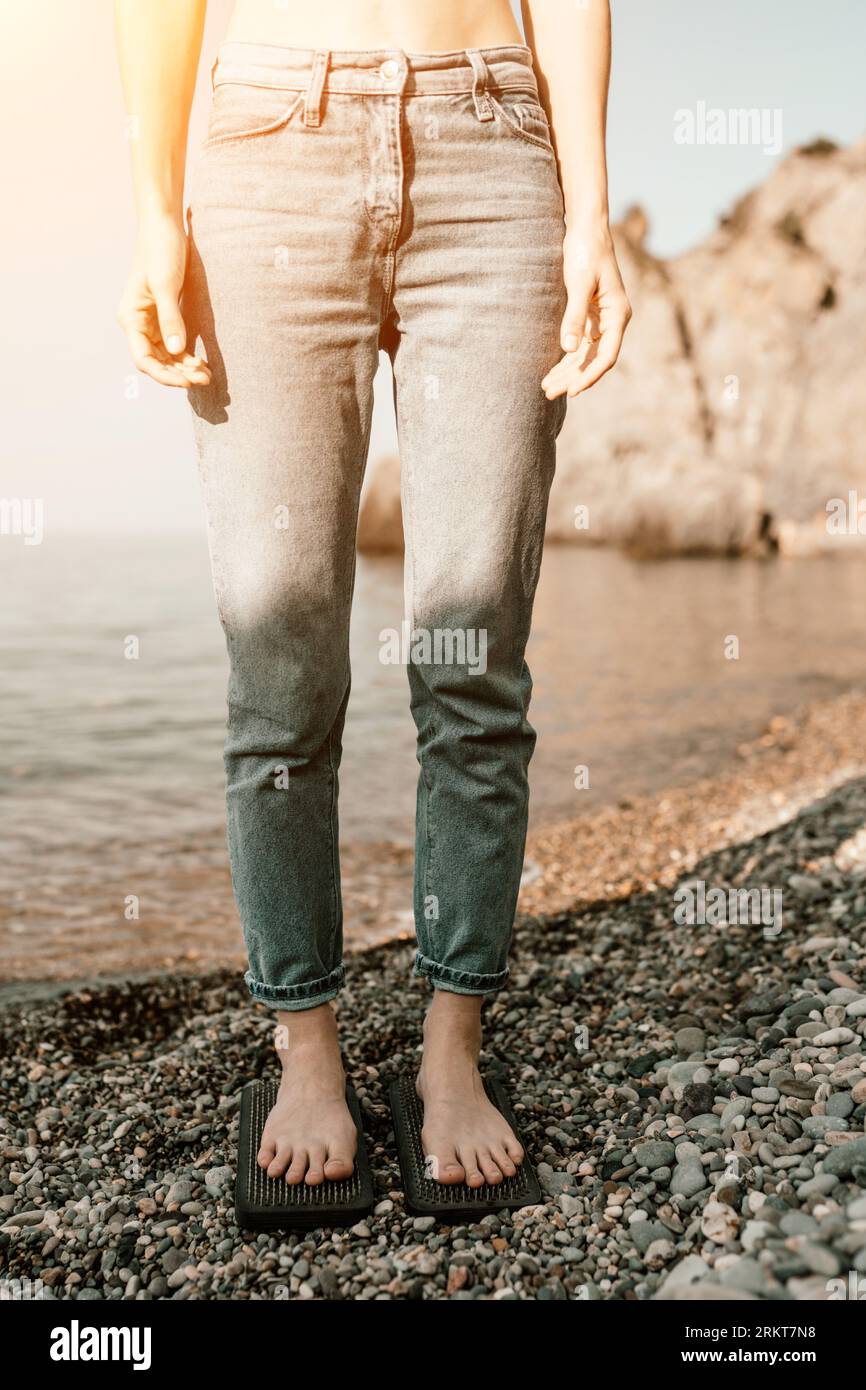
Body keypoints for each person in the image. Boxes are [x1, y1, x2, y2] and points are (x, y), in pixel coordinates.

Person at [115, 0, 630, 1192]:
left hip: (494, 144)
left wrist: (591, 213)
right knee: (282, 661)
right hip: (268, 150)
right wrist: (150, 208)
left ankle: (450, 1053)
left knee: (472, 656)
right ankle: (305, 1046)